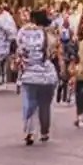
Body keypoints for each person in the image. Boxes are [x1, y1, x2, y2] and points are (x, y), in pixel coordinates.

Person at [16, 9, 59, 145]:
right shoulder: (49, 33)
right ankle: (44, 132)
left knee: (29, 103)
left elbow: (19, 50)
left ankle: (30, 132)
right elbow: (53, 51)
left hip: (29, 74)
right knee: (45, 105)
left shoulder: (23, 32)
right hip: (47, 74)